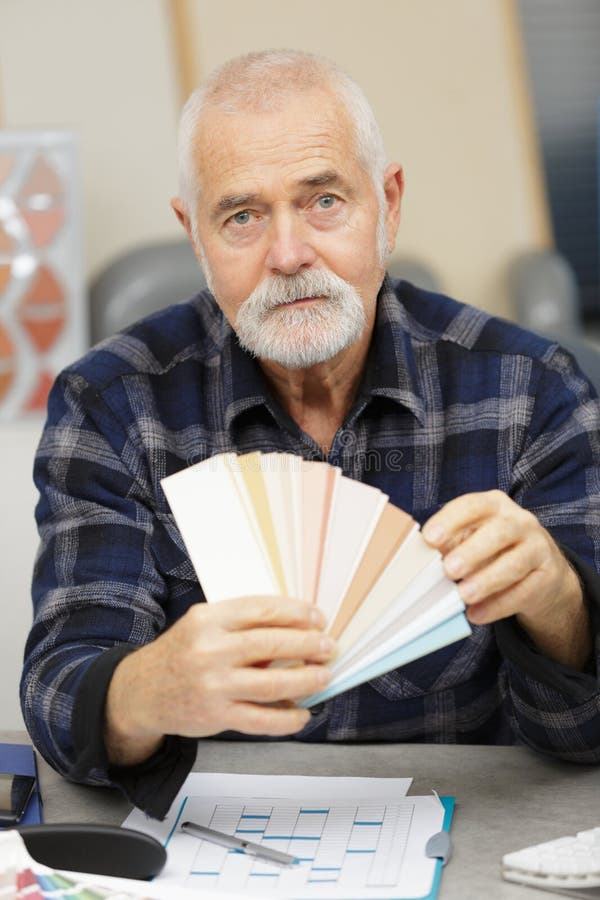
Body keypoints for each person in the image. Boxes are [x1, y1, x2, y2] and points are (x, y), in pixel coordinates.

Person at [21, 50, 600, 820]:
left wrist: (556, 599)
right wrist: (146, 689)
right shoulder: (112, 404)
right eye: (243, 216)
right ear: (194, 234)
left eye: (323, 200)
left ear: (388, 204)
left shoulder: (533, 389)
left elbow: (580, 737)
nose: (288, 255)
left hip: (469, 826)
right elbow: (61, 699)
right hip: (215, 839)